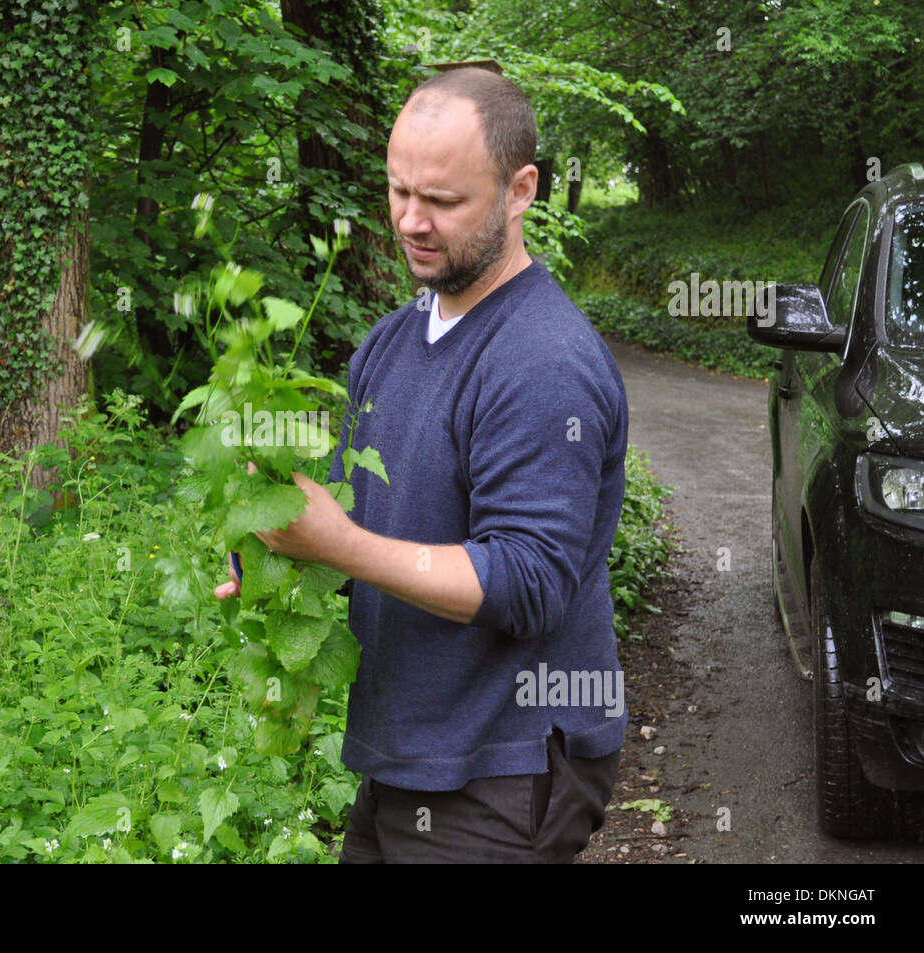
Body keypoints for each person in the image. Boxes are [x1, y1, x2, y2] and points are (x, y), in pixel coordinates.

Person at [215, 67, 629, 863]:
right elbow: (361, 513)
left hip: (500, 766)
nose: (411, 220)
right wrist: (279, 545)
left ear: (520, 191)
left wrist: (341, 546)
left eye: (442, 200)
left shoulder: (542, 361)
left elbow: (531, 579)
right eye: (399, 191)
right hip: (408, 750)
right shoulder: (394, 339)